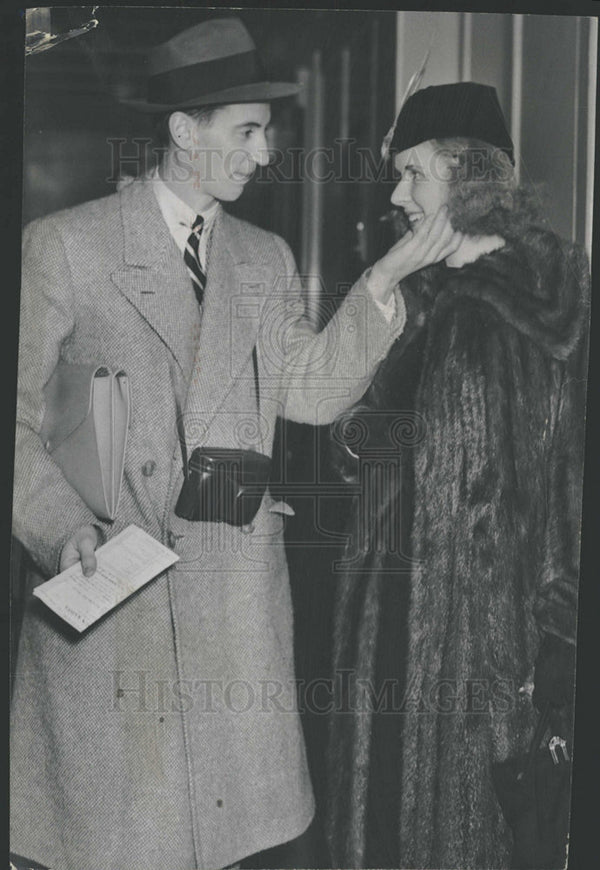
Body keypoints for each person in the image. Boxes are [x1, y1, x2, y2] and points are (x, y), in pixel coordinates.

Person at [10, 18, 465, 870]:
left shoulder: (265, 256)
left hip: (233, 619)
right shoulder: (67, 247)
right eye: (247, 130)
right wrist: (62, 527)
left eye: (267, 132)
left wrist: (382, 281)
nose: (265, 153)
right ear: (185, 131)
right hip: (111, 611)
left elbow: (314, 392)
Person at [326, 82, 589, 869]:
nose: (398, 196)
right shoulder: (429, 303)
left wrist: (537, 675)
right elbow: (356, 441)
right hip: (394, 651)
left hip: (477, 684)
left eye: (413, 174)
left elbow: (563, 507)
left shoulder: (522, 312)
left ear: (466, 176)